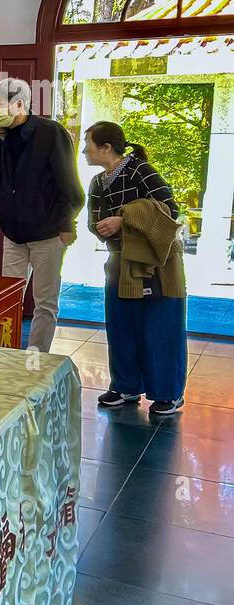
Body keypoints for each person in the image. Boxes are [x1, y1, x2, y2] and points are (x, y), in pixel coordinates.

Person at [84, 122, 186, 415]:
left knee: (160, 328)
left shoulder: (142, 171)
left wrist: (123, 219)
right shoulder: (97, 182)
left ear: (106, 148)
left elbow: (170, 210)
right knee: (121, 325)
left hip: (157, 264)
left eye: (88, 144)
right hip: (119, 262)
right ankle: (126, 386)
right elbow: (94, 221)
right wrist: (102, 228)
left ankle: (169, 392)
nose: (84, 151)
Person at [0, 78, 85, 353]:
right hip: (13, 233)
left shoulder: (51, 133)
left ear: (19, 104)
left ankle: (37, 357)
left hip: (48, 232)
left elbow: (69, 185)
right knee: (7, 296)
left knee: (45, 301)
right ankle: (7, 352)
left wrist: (66, 224)